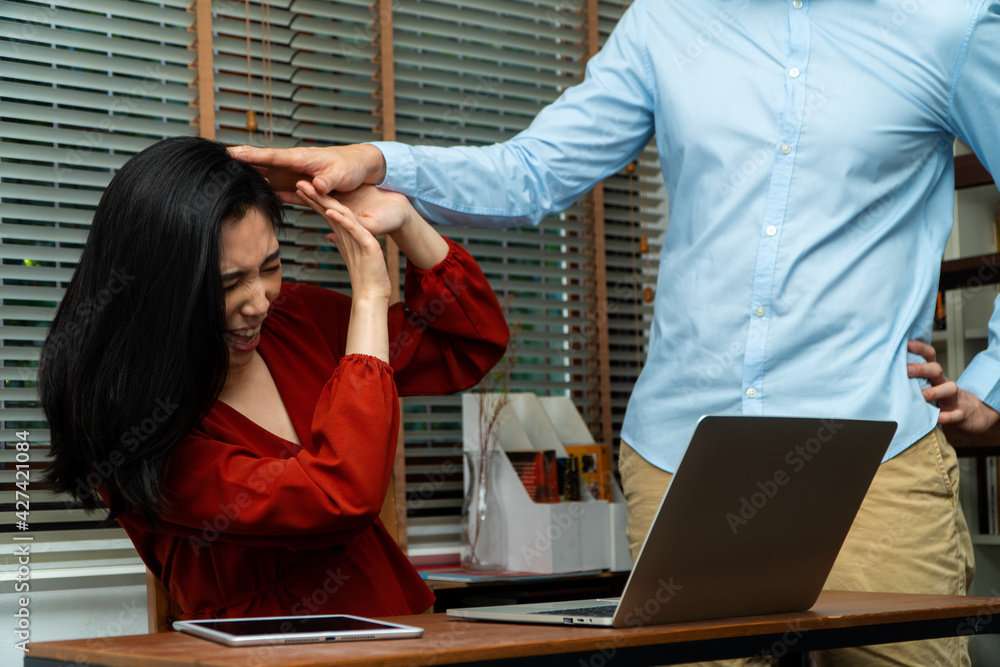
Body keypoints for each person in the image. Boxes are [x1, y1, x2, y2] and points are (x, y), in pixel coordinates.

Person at [231, 1, 1000, 664]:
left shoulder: (950, 21)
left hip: (872, 455)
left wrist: (993, 383)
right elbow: (532, 170)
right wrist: (377, 159)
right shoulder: (667, 22)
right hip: (683, 457)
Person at [38, 136, 509, 620]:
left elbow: (465, 343)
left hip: (406, 633)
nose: (259, 302)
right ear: (160, 292)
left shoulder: (294, 321)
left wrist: (406, 220)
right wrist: (369, 298)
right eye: (226, 284)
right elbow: (341, 496)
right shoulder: (134, 434)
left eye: (271, 267)